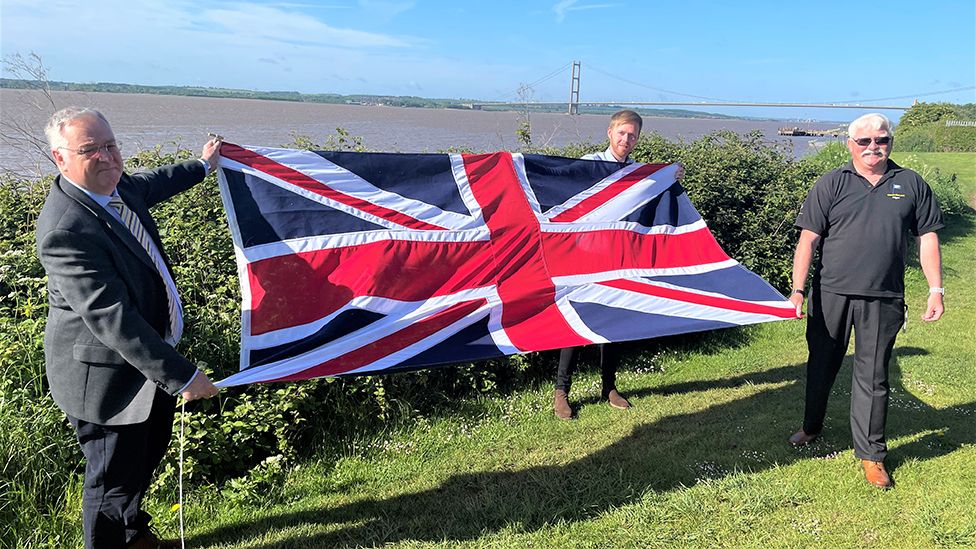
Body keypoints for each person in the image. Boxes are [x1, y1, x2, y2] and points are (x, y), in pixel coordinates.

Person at [36, 106, 222, 548]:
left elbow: (157, 181)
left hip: (146, 370)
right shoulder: (66, 229)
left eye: (111, 145)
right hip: (107, 381)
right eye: (90, 150)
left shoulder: (120, 189)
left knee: (142, 461)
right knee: (110, 480)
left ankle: (134, 535)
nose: (107, 157)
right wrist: (182, 375)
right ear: (60, 159)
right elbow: (110, 316)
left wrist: (203, 164)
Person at [787, 113, 945, 489]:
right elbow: (808, 239)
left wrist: (936, 288)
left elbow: (927, 239)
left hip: (884, 297)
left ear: (890, 142)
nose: (874, 147)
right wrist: (798, 289)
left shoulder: (910, 184)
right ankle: (811, 426)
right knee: (822, 365)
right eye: (865, 141)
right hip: (831, 294)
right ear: (850, 145)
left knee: (873, 377)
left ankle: (872, 455)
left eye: (882, 140)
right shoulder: (831, 183)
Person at [553, 109, 683, 420]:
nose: (626, 139)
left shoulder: (640, 174)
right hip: (583, 256)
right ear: (610, 132)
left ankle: (608, 386)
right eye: (622, 133)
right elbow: (561, 190)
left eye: (632, 135)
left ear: (638, 140)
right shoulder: (589, 164)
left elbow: (658, 198)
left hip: (618, 258)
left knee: (613, 320)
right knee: (574, 321)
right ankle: (561, 391)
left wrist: (671, 178)